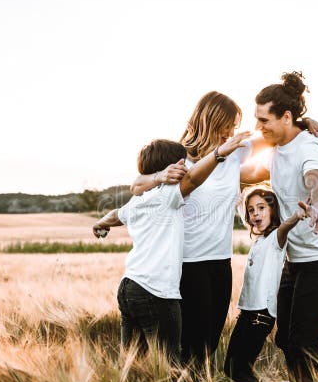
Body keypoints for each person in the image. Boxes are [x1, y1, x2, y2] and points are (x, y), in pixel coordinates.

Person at [129, 91, 318, 366]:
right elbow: (136, 185)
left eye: (236, 126)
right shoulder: (179, 156)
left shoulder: (235, 152)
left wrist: (305, 121)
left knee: (210, 343)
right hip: (188, 263)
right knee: (193, 346)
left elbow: (278, 131)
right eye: (229, 125)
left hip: (220, 263)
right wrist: (159, 176)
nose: (233, 132)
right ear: (213, 121)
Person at [92, 132, 249, 359]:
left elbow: (116, 215)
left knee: (132, 362)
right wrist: (219, 153)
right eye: (184, 163)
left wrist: (99, 223)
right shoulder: (167, 195)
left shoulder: (139, 199)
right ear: (176, 166)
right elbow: (194, 180)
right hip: (157, 293)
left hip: (129, 287)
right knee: (172, 365)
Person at [241, 71, 318, 382]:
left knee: (304, 342)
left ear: (286, 116)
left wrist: (317, 204)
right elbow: (248, 172)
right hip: (297, 259)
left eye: (264, 120)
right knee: (287, 340)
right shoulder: (279, 146)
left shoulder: (309, 149)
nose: (259, 127)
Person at [223, 186, 307, 382]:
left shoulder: (275, 238)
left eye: (261, 208)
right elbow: (242, 206)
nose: (255, 214)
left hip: (261, 316)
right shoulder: (259, 238)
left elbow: (285, 227)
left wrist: (296, 217)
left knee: (240, 366)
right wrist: (238, 185)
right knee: (230, 366)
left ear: (273, 210)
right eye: (251, 210)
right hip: (247, 312)